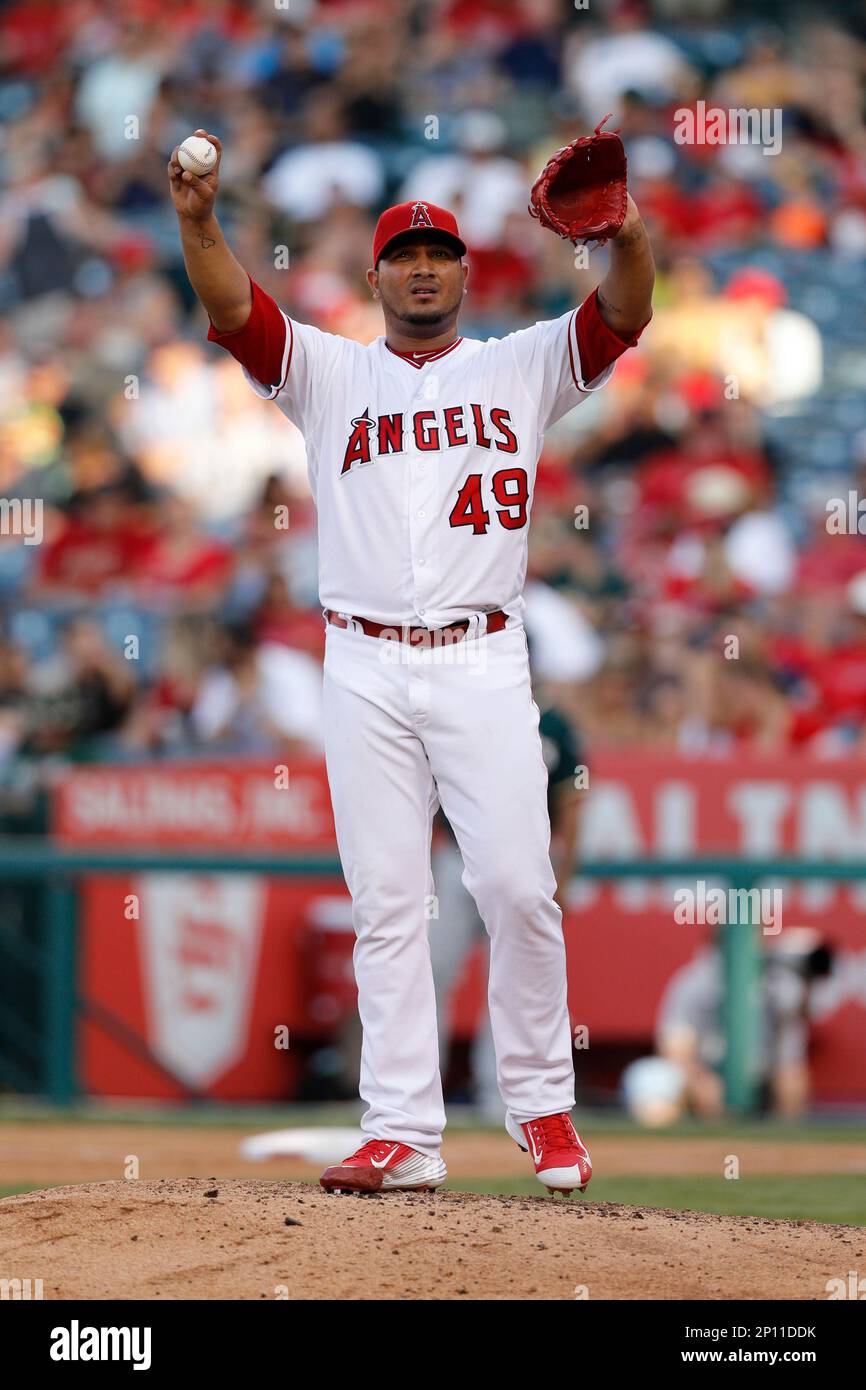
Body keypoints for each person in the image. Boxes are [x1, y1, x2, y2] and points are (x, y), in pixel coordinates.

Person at [169, 127, 654, 1196]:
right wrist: (199, 224)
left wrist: (625, 232)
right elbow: (237, 310)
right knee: (387, 900)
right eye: (404, 253)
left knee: (521, 886)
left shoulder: (518, 363)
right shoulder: (330, 371)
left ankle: (541, 1109)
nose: (423, 266)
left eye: (438, 251)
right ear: (379, 274)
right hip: (362, 662)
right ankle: (401, 1130)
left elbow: (623, 311)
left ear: (463, 271)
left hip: (482, 657)